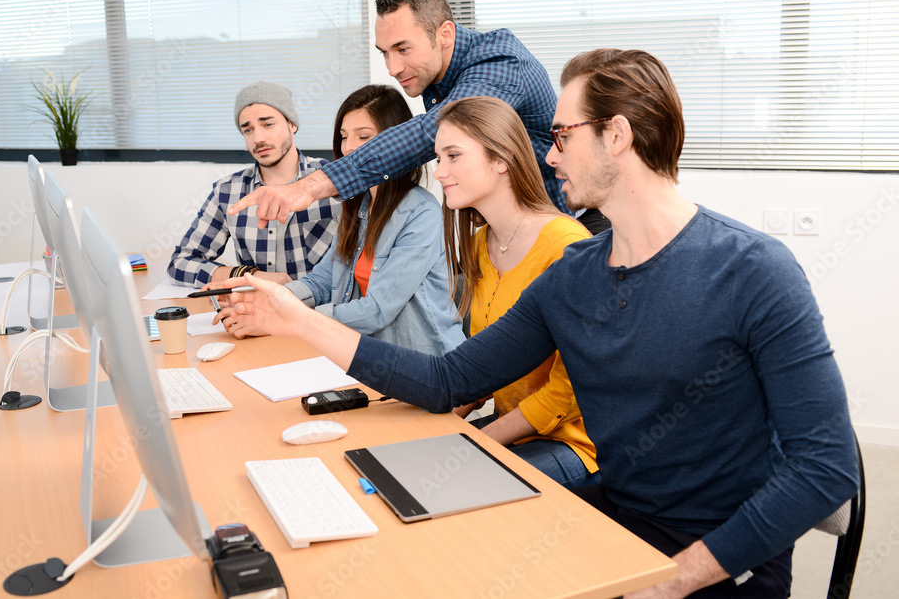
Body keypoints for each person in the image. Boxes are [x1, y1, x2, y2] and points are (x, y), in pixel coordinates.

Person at [222, 49, 859, 598]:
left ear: (616, 136)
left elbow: (826, 470)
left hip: (718, 560)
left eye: (561, 136)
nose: (549, 157)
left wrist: (673, 580)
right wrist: (298, 320)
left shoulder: (753, 270)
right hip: (620, 525)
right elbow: (449, 381)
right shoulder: (575, 274)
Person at [226, 0, 606, 231]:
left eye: (403, 49)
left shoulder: (499, 63)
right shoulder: (436, 74)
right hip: (515, 225)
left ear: (445, 33)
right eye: (385, 52)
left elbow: (432, 130)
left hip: (569, 223)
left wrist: (310, 187)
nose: (393, 68)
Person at [209, 85, 463, 355]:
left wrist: (282, 319)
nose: (349, 147)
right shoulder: (359, 205)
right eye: (343, 136)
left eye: (363, 136)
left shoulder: (421, 212)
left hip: (428, 363)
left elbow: (376, 311)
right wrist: (264, 302)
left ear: (395, 145)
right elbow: (321, 281)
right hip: (370, 354)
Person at [433, 96, 598, 487]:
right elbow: (486, 365)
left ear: (502, 158)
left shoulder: (565, 245)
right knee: (412, 462)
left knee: (453, 485)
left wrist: (479, 440)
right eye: (439, 158)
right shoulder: (479, 244)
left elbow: (568, 390)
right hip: (514, 430)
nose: (439, 172)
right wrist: (437, 422)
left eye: (453, 156)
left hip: (573, 443)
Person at [167, 81, 340, 287]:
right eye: (248, 130)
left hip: (324, 305)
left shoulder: (333, 179)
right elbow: (180, 263)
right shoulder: (228, 191)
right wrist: (247, 275)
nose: (258, 138)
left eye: (268, 124)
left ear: (292, 124)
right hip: (257, 306)